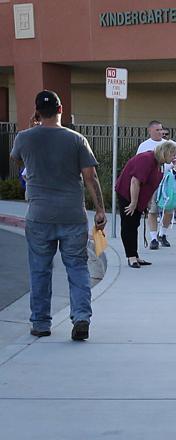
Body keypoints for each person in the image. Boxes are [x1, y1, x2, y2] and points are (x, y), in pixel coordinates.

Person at [10, 90, 107, 341]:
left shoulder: (24, 138)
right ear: (61, 109)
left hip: (39, 215)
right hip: (72, 214)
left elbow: (19, 162)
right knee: (77, 267)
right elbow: (90, 177)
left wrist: (33, 126)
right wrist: (99, 209)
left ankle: (41, 322)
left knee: (40, 269)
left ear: (37, 112)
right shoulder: (76, 139)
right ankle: (81, 317)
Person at [115, 141, 176, 268]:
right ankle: (131, 257)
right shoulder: (146, 159)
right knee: (129, 224)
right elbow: (135, 181)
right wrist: (133, 202)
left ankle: (135, 255)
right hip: (127, 194)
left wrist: (147, 201)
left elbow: (151, 184)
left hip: (138, 196)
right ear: (165, 152)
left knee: (134, 224)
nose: (174, 158)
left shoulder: (157, 163)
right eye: (172, 155)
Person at [136, 120, 176, 250]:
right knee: (153, 210)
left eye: (161, 130)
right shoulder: (144, 146)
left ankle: (162, 234)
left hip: (167, 182)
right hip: (152, 183)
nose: (160, 132)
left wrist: (174, 166)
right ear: (150, 130)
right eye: (157, 130)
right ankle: (153, 238)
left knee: (168, 209)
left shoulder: (170, 145)